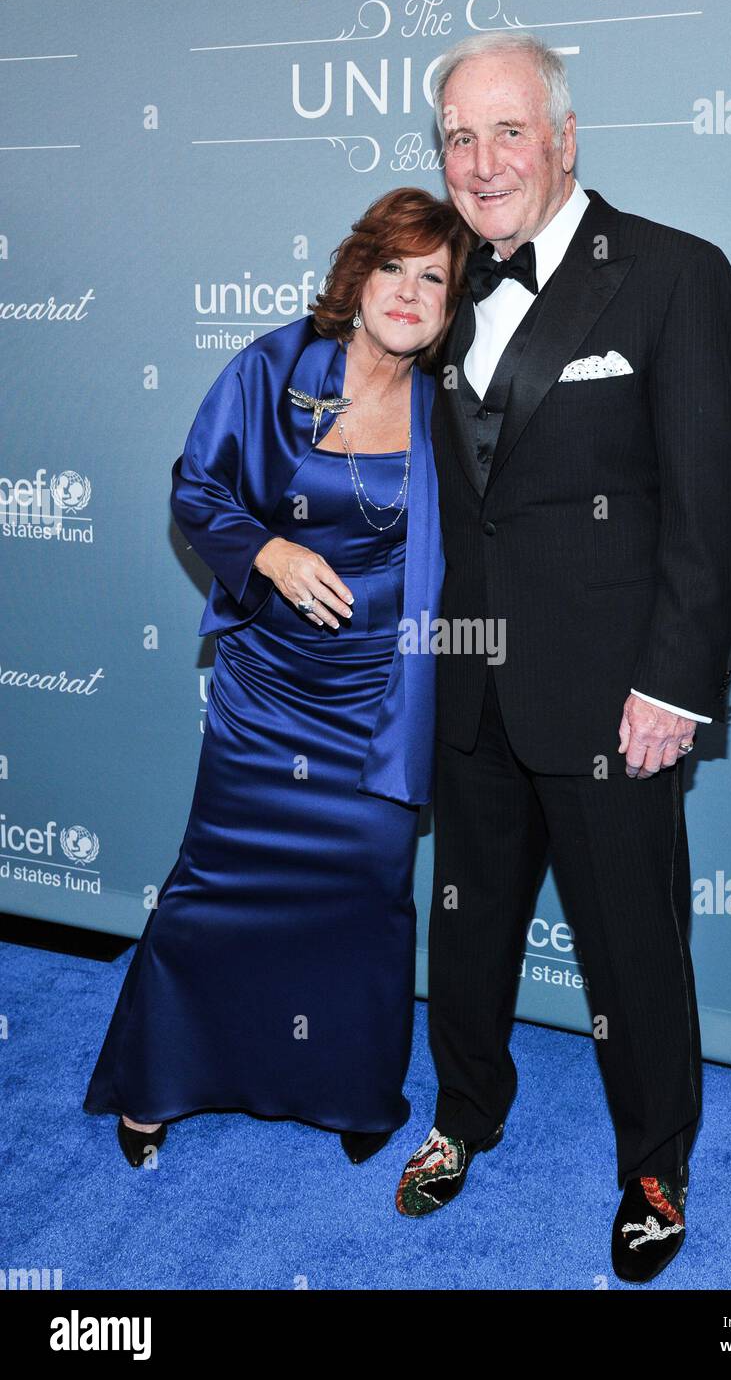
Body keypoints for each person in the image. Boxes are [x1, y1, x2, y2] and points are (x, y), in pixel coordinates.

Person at [393, 34, 731, 1285]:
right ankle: (464, 1112)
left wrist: (673, 686)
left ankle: (655, 1161)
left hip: (615, 695)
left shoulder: (671, 275)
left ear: (562, 136)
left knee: (631, 946)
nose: (480, 162)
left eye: (504, 131)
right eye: (455, 137)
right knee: (469, 922)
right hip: (470, 674)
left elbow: (709, 508)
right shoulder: (436, 289)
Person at [83, 187, 473, 1169]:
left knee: (365, 894)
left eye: (433, 277)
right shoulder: (277, 364)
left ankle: (343, 1086)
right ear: (360, 272)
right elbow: (196, 485)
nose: (408, 290)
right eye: (394, 266)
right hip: (271, 689)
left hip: (382, 695)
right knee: (217, 884)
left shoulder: (448, 408)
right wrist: (267, 551)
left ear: (449, 304)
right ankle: (157, 1082)